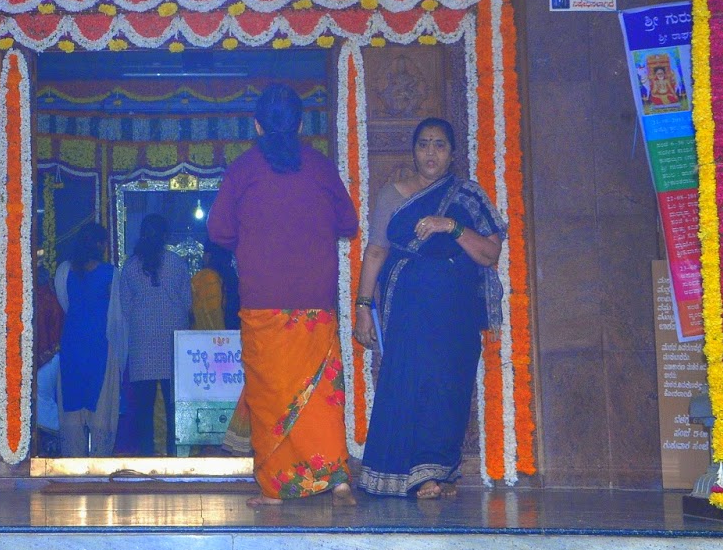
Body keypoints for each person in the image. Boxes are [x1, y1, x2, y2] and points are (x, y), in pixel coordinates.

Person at [208, 83, 359, 504]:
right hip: (316, 300)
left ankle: (276, 487)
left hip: (263, 298)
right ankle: (338, 480)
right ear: (299, 124)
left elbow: (218, 230)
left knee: (271, 393)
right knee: (319, 392)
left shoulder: (244, 169)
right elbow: (348, 224)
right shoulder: (319, 166)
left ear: (256, 125)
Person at [354, 117, 505, 500]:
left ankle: (439, 469)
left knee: (448, 384)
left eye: (439, 145)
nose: (431, 152)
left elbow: (489, 254)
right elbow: (375, 252)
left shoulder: (467, 196)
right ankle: (415, 475)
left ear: (452, 153)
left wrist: (450, 226)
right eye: (424, 144)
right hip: (406, 310)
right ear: (414, 151)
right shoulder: (393, 195)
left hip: (455, 313)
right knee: (409, 380)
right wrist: (362, 307)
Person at [118, 214, 193, 455]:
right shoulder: (177, 263)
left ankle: (146, 456)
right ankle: (174, 454)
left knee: (144, 408)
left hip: (142, 343)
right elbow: (188, 302)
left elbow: (125, 307)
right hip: (173, 341)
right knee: (174, 405)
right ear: (165, 236)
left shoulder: (130, 266)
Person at [54, 224, 124, 457]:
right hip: (100, 344)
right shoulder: (111, 274)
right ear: (100, 245)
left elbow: (65, 304)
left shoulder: (64, 271)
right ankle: (100, 462)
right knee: (101, 402)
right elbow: (116, 315)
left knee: (72, 401)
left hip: (72, 343)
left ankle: (73, 462)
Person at [189, 242, 240, 332]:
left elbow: (212, 318)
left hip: (210, 340)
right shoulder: (233, 278)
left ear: (208, 256)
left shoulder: (206, 277)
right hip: (233, 339)